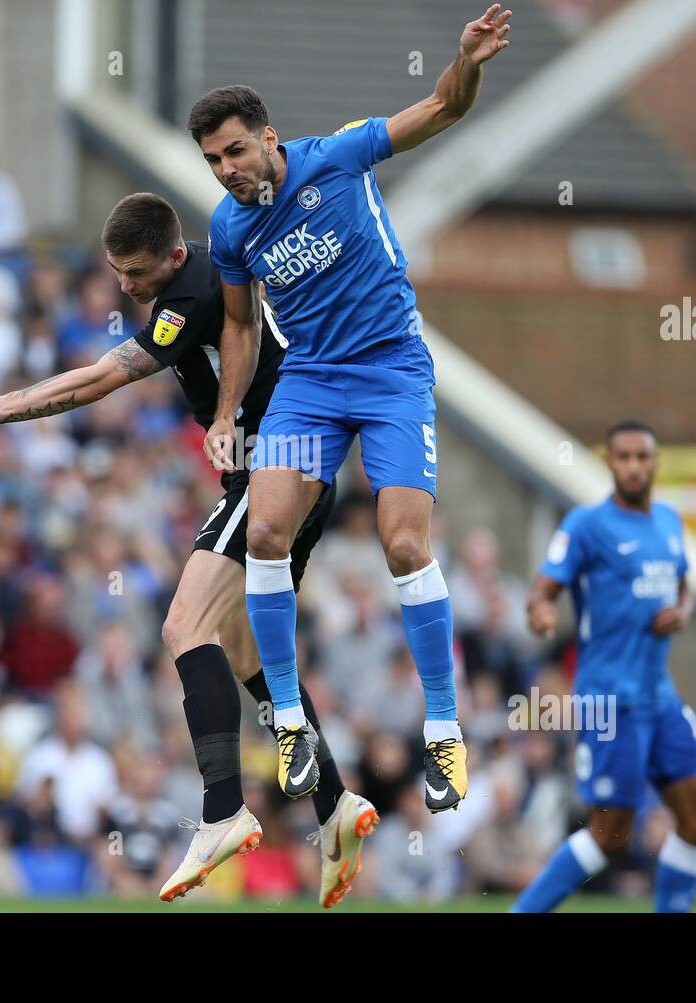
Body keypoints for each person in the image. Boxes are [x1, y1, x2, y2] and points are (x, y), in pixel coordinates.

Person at [0, 192, 377, 908]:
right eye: (116, 272)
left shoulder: (189, 293)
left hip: (278, 466)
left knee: (180, 626)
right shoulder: (195, 283)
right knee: (244, 650)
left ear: (173, 256)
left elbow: (103, 377)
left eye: (136, 272)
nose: (125, 285)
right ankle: (335, 807)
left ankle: (224, 809)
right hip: (293, 466)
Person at [187, 6, 513, 813]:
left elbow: (442, 109)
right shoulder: (230, 230)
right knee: (265, 530)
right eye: (211, 159)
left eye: (234, 150)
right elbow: (236, 323)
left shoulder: (338, 155)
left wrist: (465, 61)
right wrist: (228, 413)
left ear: (269, 137)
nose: (225, 169)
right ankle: (292, 723)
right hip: (310, 385)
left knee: (404, 543)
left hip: (393, 372)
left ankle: (444, 728)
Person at [511, 419, 696, 912]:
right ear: (609, 463)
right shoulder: (586, 525)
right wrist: (540, 613)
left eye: (641, 457)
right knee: (609, 836)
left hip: (660, 698)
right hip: (609, 699)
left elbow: (683, 584)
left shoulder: (668, 522)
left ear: (654, 462)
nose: (632, 466)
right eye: (622, 457)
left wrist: (683, 612)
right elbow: (542, 592)